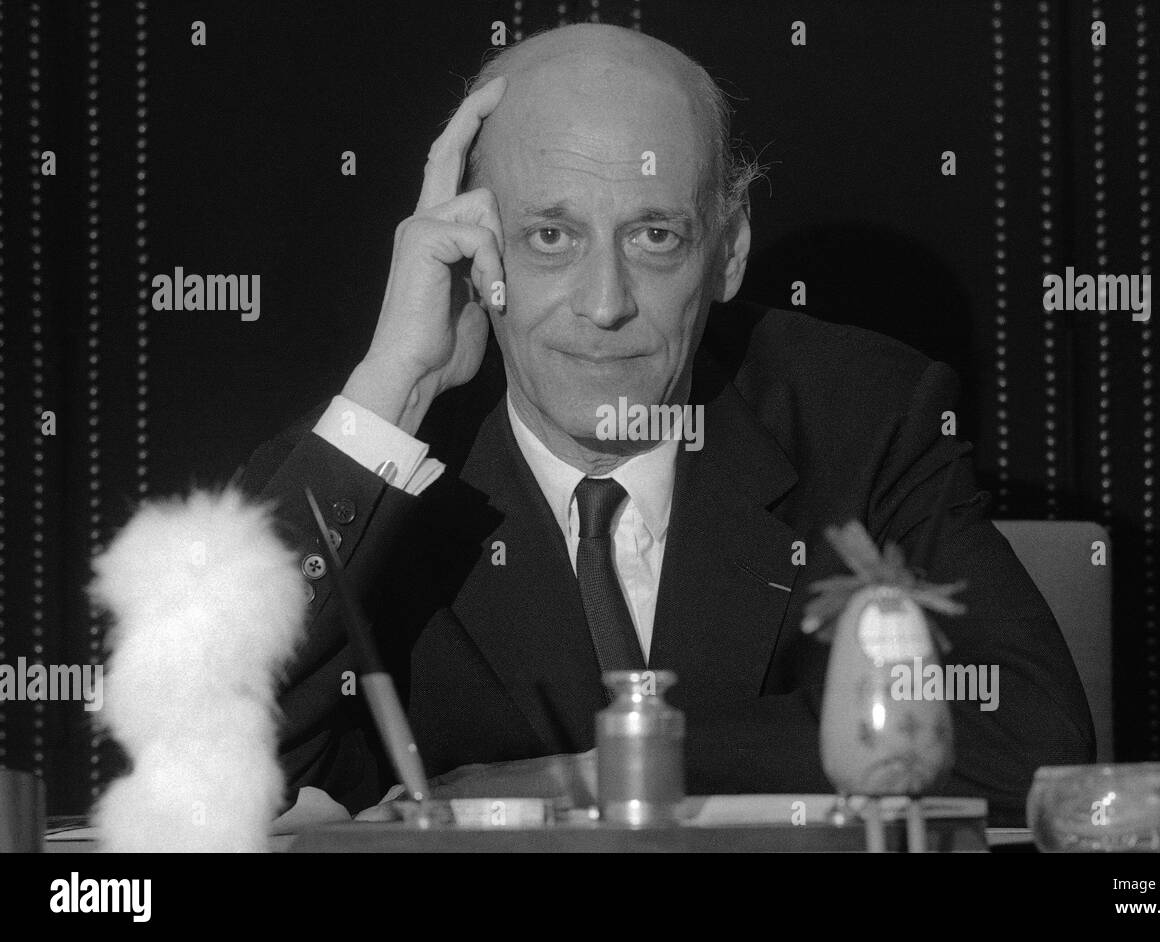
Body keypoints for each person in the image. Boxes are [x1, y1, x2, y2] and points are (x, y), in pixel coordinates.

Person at [237, 23, 1094, 826]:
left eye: (653, 235)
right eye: (549, 236)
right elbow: (209, 750)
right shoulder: (390, 452)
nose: (605, 305)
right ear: (474, 247)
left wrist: (595, 777)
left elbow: (1026, 740)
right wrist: (399, 380)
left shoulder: (863, 415)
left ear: (727, 252)